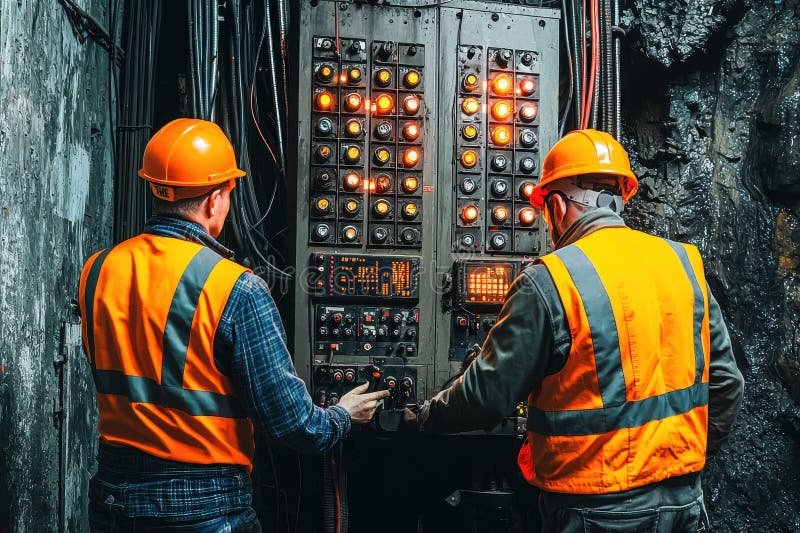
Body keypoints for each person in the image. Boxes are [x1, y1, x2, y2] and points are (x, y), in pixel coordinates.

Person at [410, 129, 744, 531]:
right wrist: (685, 463)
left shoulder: (551, 280)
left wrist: (425, 415)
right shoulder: (682, 266)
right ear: (620, 197)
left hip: (595, 511)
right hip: (683, 503)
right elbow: (726, 384)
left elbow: (488, 396)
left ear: (557, 204)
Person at [78, 118, 389, 532]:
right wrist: (342, 416)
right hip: (204, 508)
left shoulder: (97, 270)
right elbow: (294, 425)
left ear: (155, 188)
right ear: (214, 201)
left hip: (113, 503)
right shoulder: (235, 288)